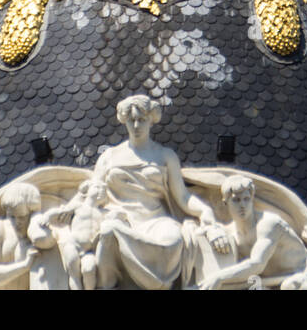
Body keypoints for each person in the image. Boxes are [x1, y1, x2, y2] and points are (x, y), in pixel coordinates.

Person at [89, 93, 228, 290]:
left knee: (173, 240)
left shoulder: (165, 156)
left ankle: (158, 284)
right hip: (122, 220)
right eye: (131, 120)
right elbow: (91, 195)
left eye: (141, 120)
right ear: (124, 121)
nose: (136, 125)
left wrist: (205, 211)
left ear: (151, 121)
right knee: (108, 231)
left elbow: (183, 197)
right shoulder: (109, 157)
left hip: (156, 221)